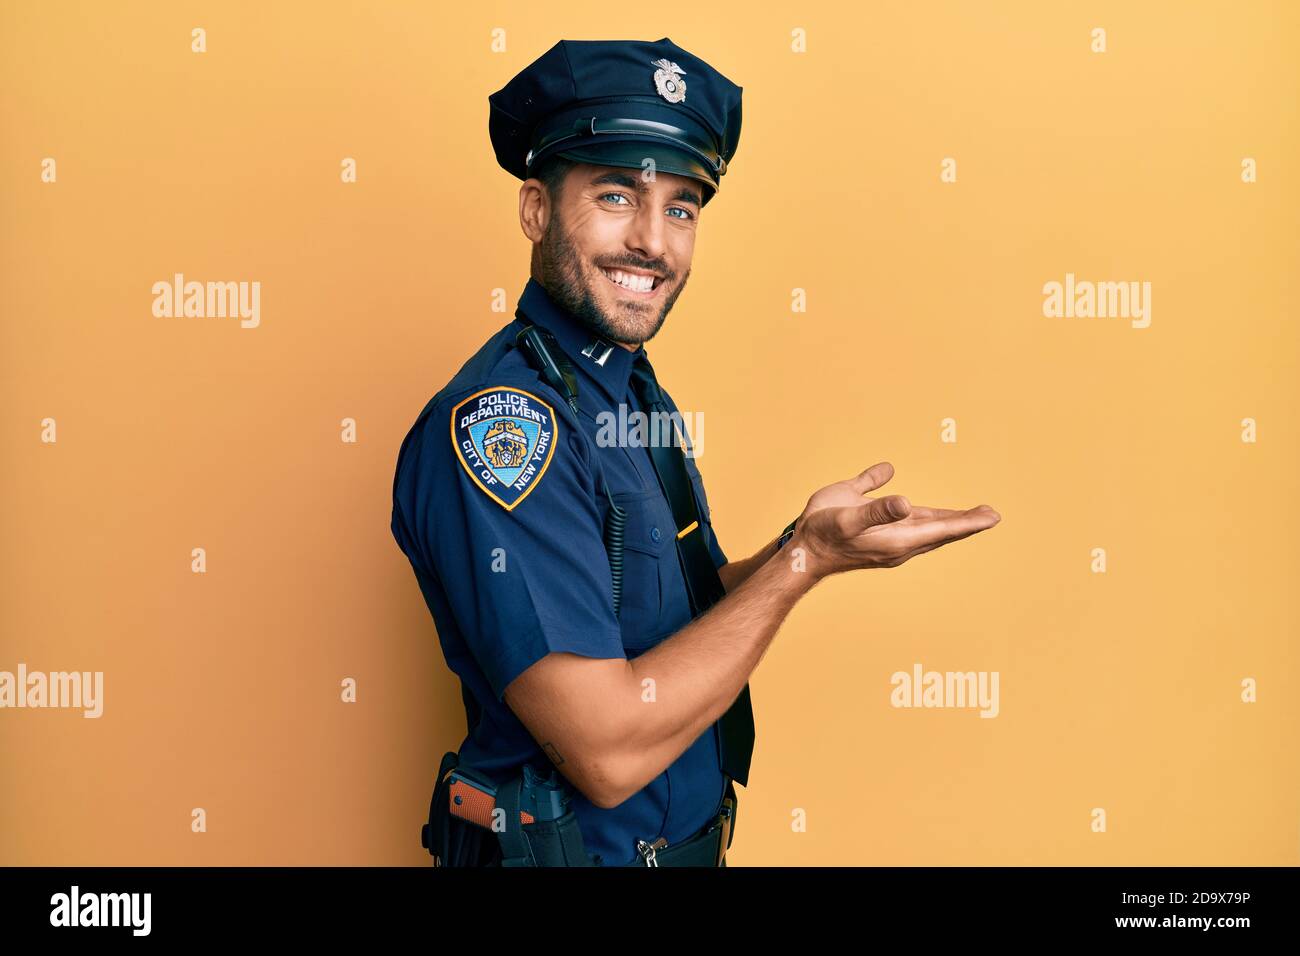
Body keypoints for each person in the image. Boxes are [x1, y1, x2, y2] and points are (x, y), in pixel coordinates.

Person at [390, 37, 1002, 867]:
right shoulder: (507, 426)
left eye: (682, 207)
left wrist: (807, 543)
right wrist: (802, 568)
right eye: (616, 194)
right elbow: (604, 753)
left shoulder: (630, 394)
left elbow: (692, 610)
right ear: (535, 209)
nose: (654, 242)